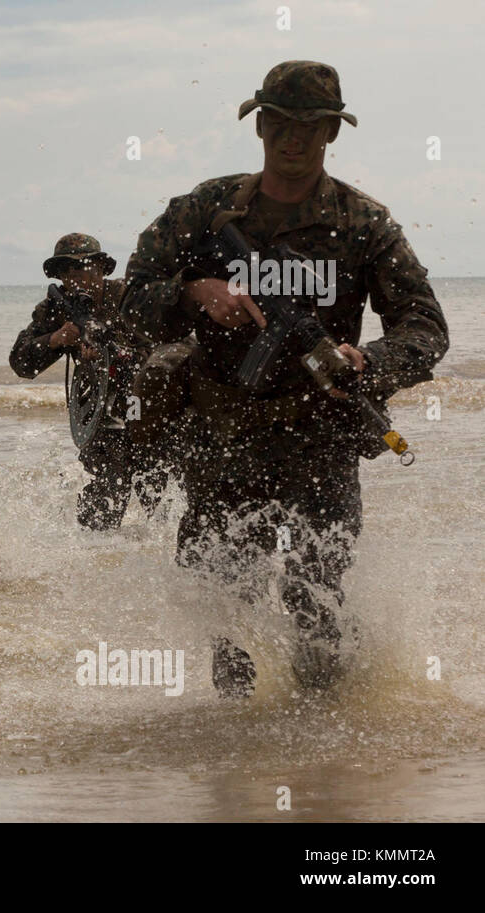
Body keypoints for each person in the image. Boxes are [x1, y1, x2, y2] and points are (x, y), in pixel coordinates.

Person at [120, 62, 449, 695]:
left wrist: (368, 362)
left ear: (332, 133)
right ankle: (239, 767)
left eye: (311, 127)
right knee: (229, 617)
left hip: (320, 441)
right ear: (260, 125)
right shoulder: (205, 210)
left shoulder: (362, 223)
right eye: (281, 124)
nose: (293, 140)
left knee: (317, 608)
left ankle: (329, 771)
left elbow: (425, 327)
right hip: (222, 443)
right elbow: (131, 299)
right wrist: (194, 293)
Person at [10, 233, 171, 529]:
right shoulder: (56, 309)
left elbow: (174, 348)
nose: (78, 277)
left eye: (86, 267)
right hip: (102, 417)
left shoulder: (128, 298)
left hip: (150, 410)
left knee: (161, 505)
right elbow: (20, 362)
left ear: (101, 269)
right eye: (68, 271)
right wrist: (56, 340)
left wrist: (119, 355)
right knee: (100, 515)